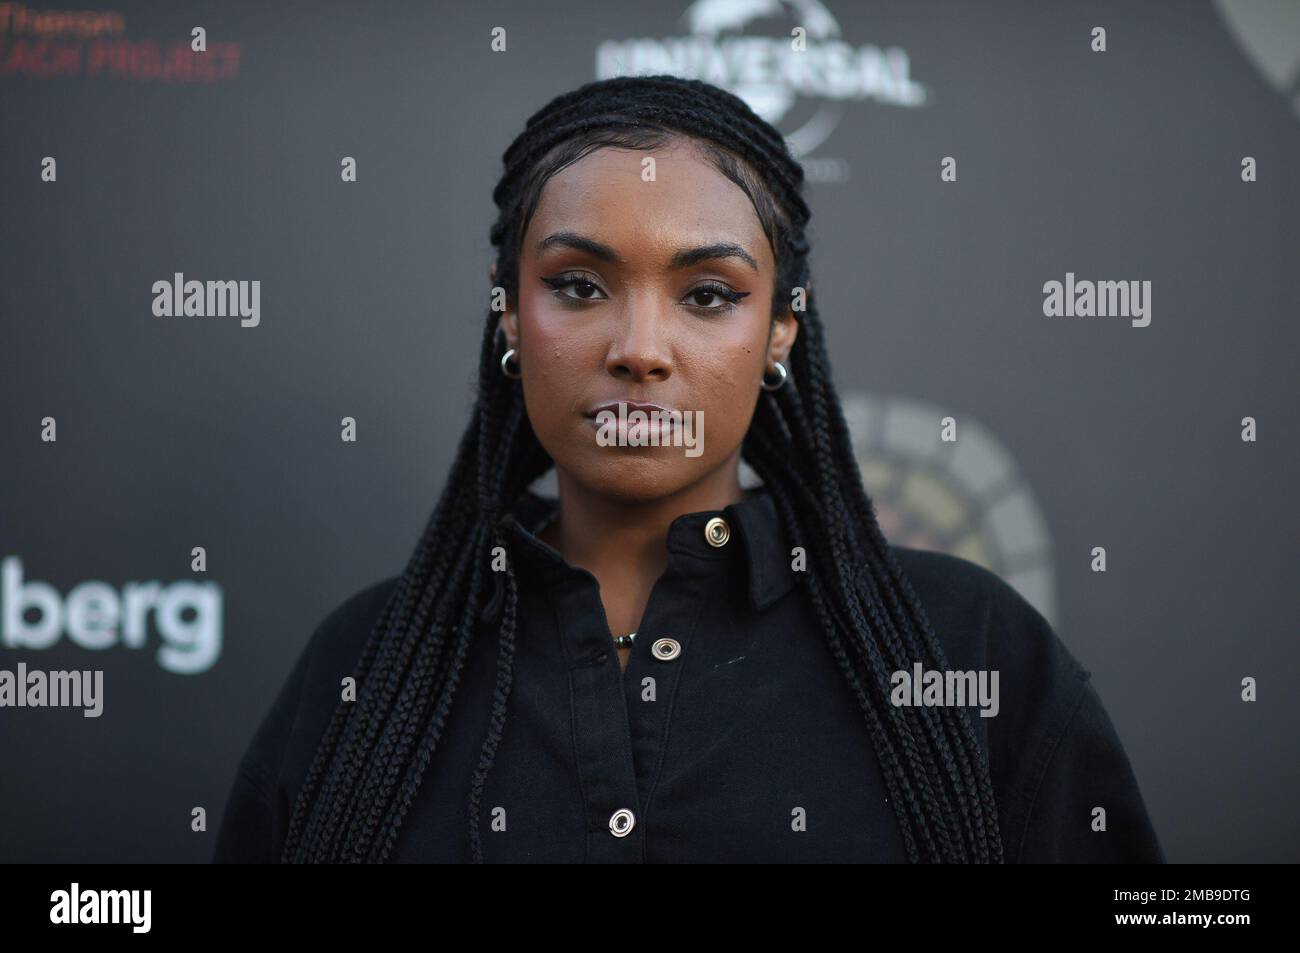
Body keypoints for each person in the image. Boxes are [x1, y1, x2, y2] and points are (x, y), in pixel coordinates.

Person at [212, 74, 1164, 864]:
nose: (640, 347)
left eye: (708, 294)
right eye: (578, 286)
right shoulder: (367, 665)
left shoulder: (967, 650)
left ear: (778, 331)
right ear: (508, 314)